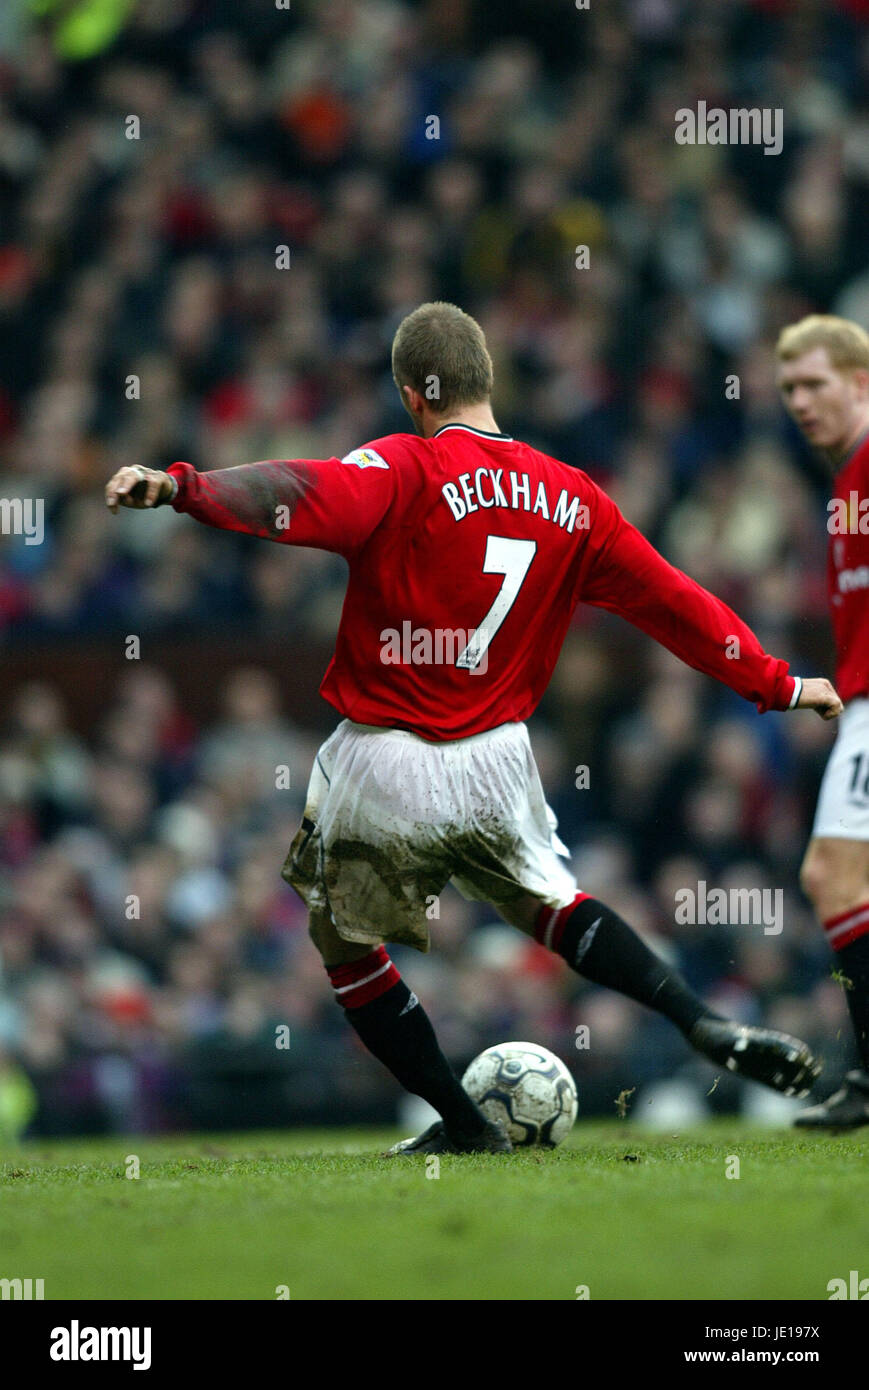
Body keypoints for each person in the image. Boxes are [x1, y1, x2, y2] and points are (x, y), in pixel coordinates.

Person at [106, 301, 841, 1154]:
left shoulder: (401, 468)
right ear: (485, 380)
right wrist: (777, 681)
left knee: (342, 942)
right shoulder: (573, 498)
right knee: (550, 905)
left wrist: (182, 487)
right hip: (499, 755)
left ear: (414, 394)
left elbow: (296, 493)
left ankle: (462, 1124)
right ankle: (698, 1016)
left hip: (387, 752)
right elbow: (677, 602)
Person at [776, 314, 869, 1129]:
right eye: (788, 391)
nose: (799, 402)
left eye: (814, 384)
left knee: (831, 876)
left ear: (860, 382)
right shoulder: (843, 485)